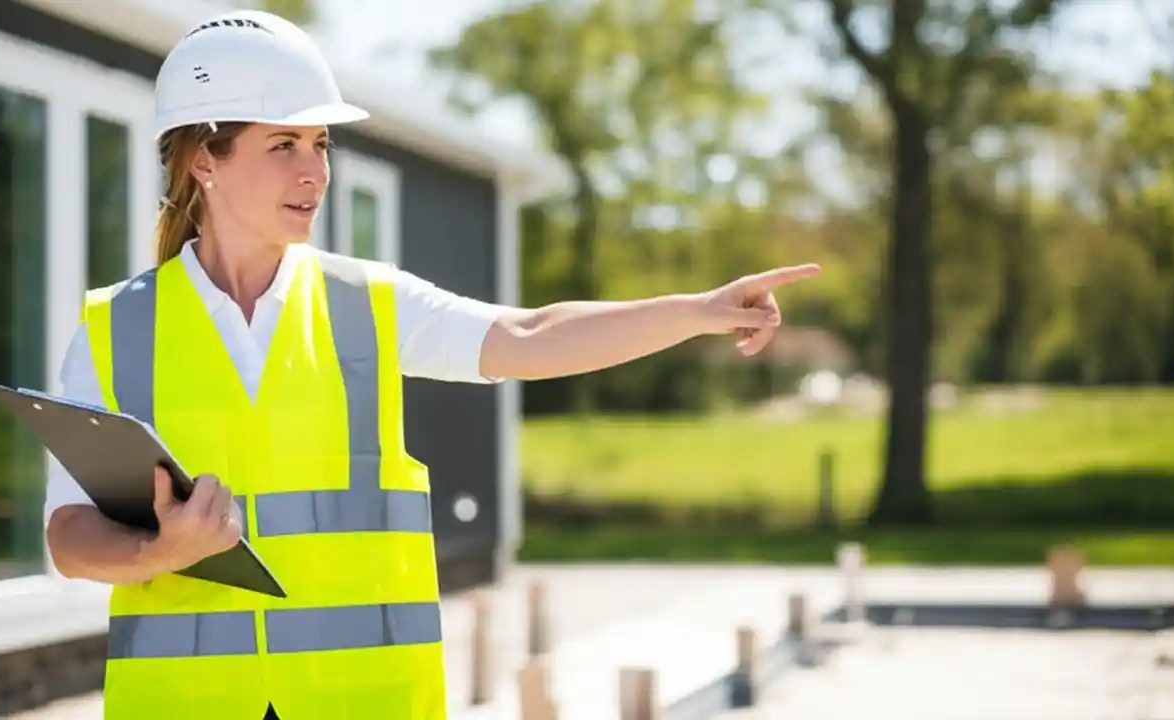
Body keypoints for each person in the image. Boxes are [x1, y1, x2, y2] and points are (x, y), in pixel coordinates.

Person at [41, 9, 819, 720]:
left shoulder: (368, 305)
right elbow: (70, 533)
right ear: (205, 159)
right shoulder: (116, 326)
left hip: (366, 703)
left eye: (321, 145)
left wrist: (694, 311)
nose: (314, 173)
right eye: (284, 146)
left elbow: (528, 333)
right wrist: (157, 553)